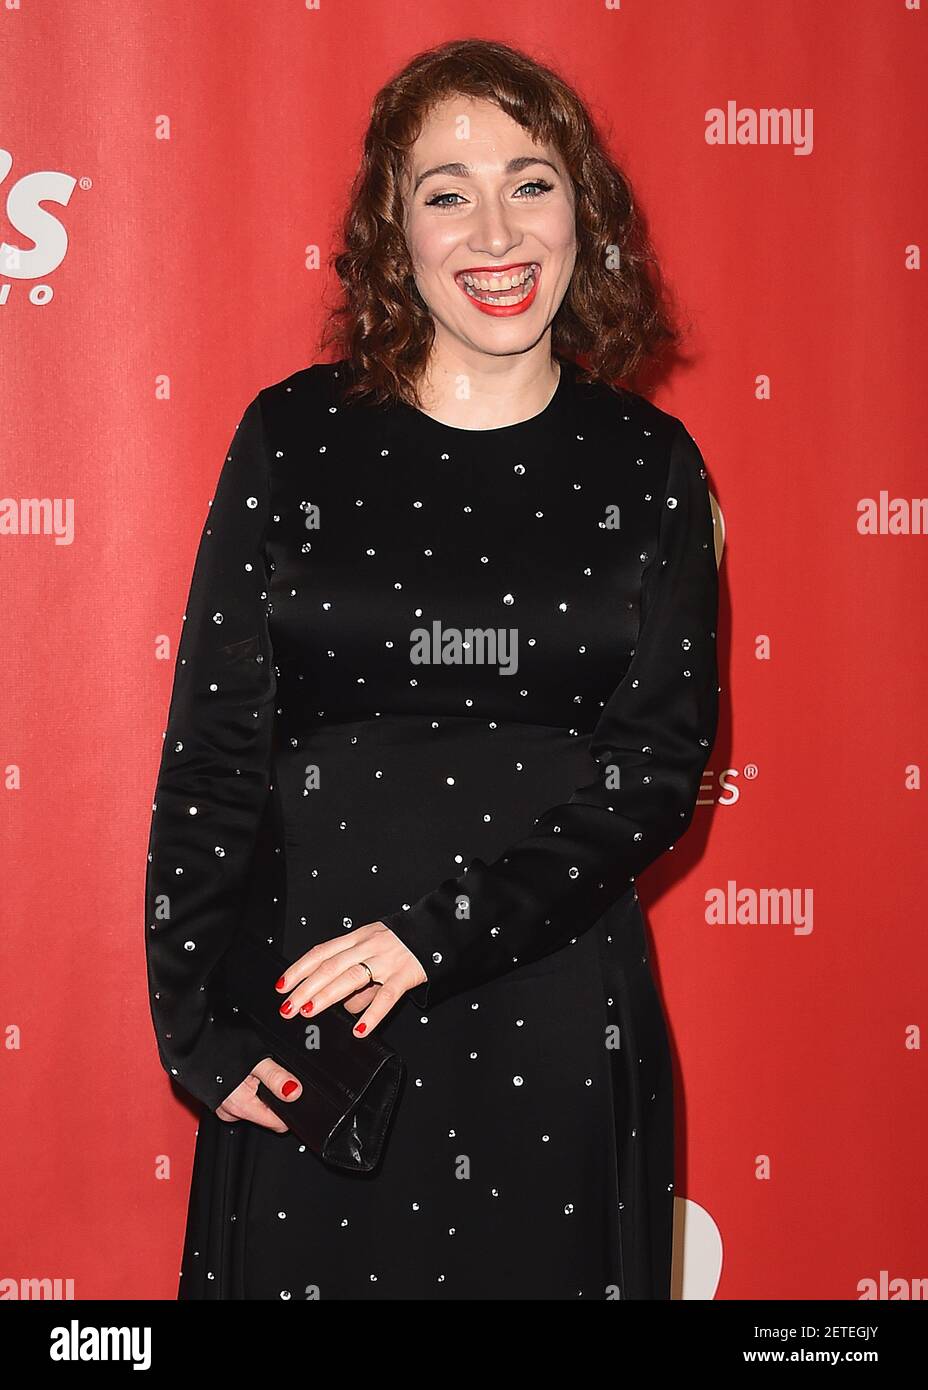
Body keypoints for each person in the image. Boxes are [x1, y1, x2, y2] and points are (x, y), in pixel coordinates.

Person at [144, 37, 720, 1300]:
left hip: (557, 1014)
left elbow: (656, 771)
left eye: (532, 180)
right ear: (391, 229)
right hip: (318, 1028)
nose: (494, 231)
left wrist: (429, 934)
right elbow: (214, 748)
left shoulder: (649, 465)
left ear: (587, 211)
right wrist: (199, 1026)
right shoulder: (291, 436)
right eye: (446, 191)